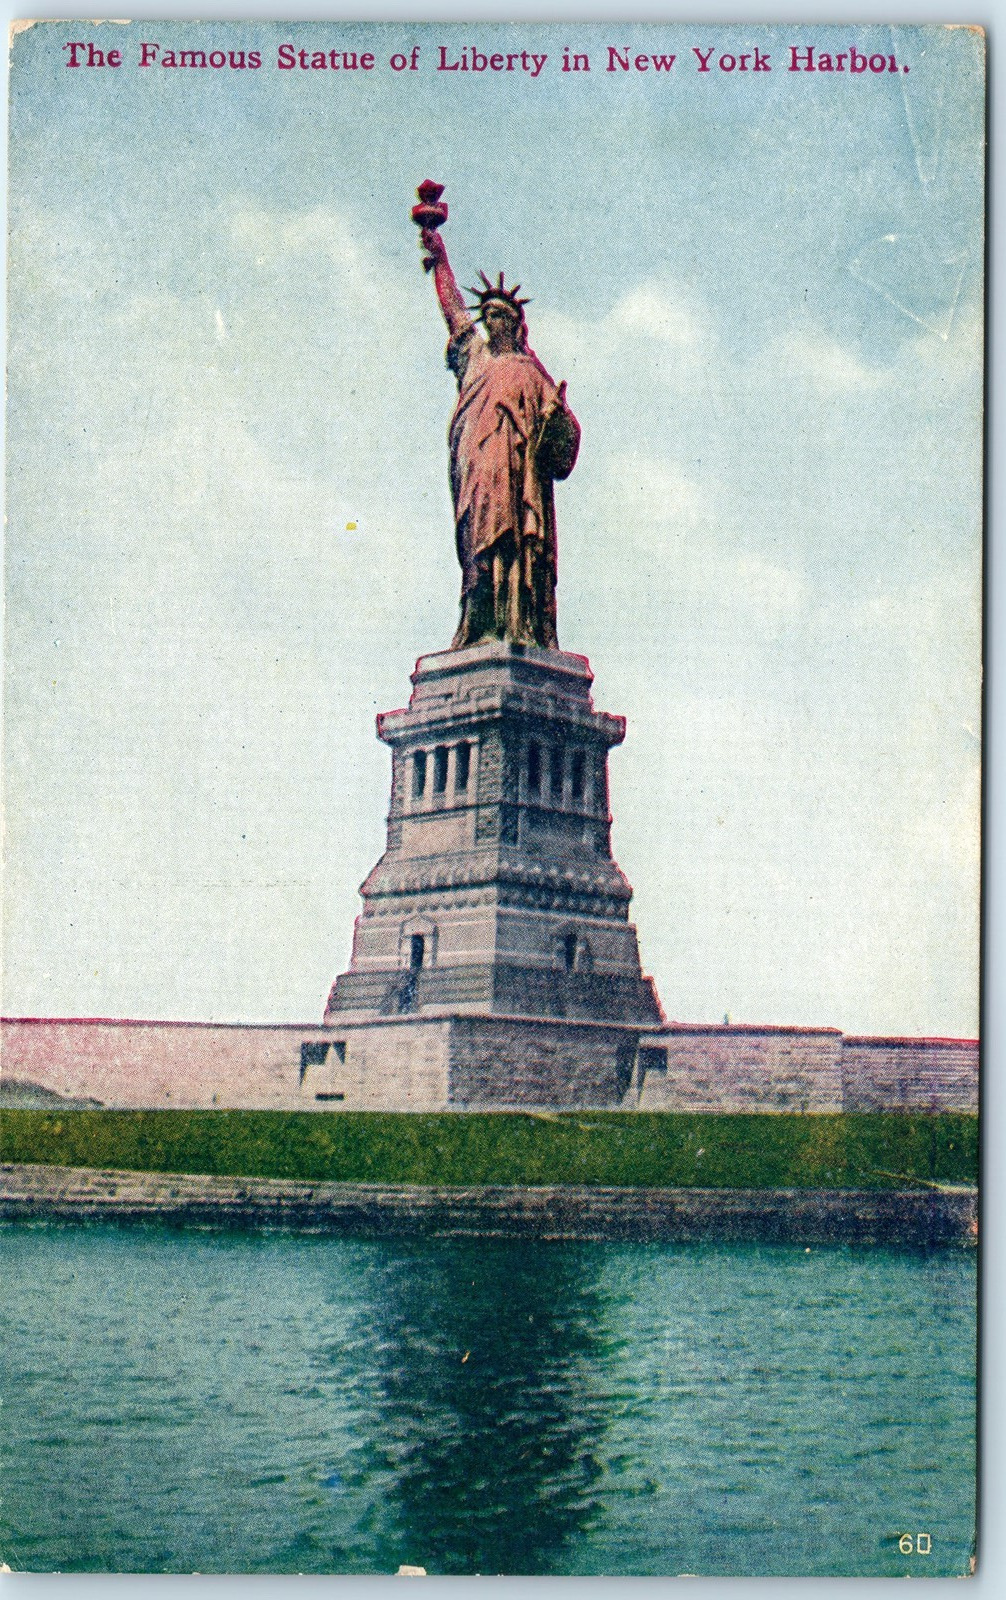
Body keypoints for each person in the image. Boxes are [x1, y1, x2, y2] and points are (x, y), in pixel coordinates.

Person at [421, 226, 580, 649]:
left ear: (515, 322)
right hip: (478, 470)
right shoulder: (474, 356)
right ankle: (479, 626)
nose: (491, 321)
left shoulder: (531, 371)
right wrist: (440, 260)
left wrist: (555, 419)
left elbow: (563, 433)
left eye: (500, 315)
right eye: (487, 314)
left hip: (519, 477)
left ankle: (518, 626)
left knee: (519, 549)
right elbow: (453, 309)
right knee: (479, 550)